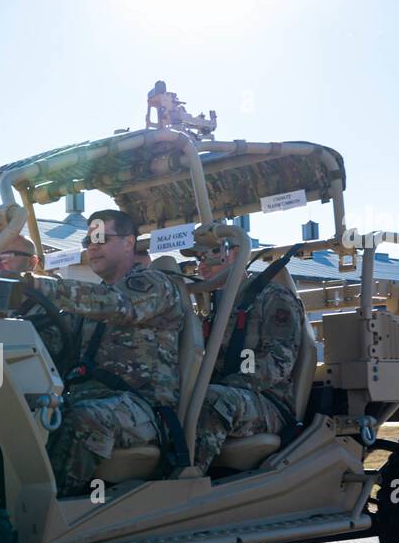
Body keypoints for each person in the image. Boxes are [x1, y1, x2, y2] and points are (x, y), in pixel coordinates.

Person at [21, 209, 185, 496]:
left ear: (128, 243)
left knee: (82, 419)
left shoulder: (152, 285)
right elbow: (52, 340)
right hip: (88, 399)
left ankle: (47, 511)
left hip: (145, 409)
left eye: (101, 239)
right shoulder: (90, 302)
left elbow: (119, 305)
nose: (92, 248)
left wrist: (42, 285)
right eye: (87, 241)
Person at [191, 238, 304, 474]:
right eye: (198, 259)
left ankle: (185, 482)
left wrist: (218, 385)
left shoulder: (273, 297)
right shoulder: (212, 309)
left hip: (267, 402)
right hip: (228, 395)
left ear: (237, 253)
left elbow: (278, 363)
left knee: (210, 400)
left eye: (211, 254)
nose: (202, 265)